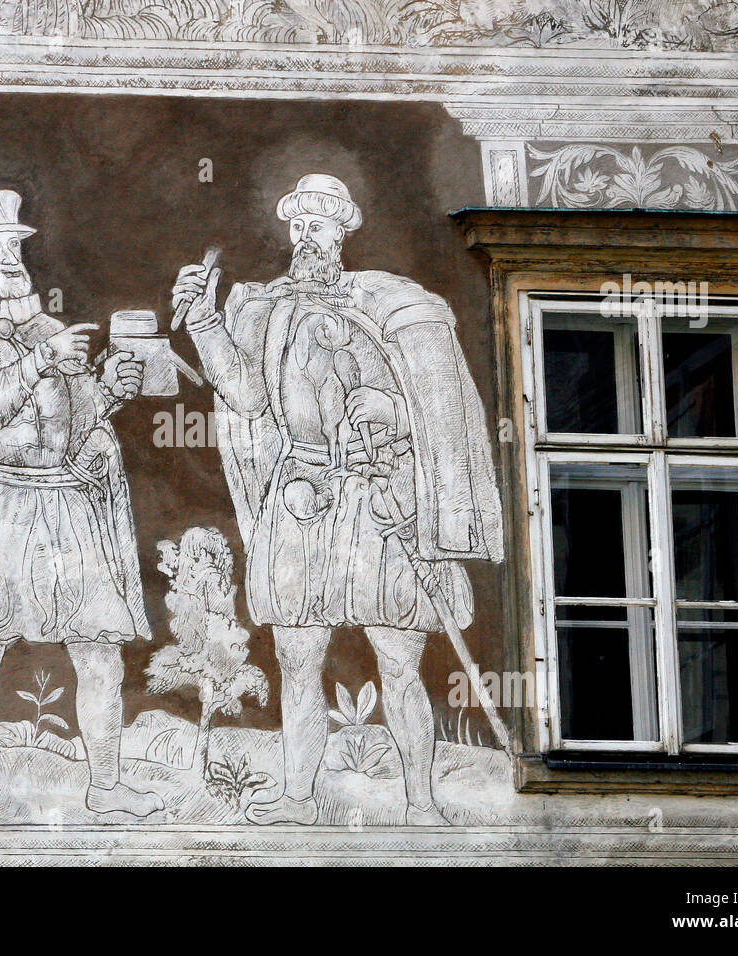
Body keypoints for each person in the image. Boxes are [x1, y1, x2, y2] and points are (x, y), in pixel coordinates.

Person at [172, 173, 503, 824]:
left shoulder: (385, 304)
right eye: (298, 227)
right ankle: (298, 799)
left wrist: (379, 409)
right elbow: (244, 394)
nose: (305, 239)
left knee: (399, 661)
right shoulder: (270, 311)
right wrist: (205, 322)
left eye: (319, 226)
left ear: (343, 232)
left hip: (377, 495)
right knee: (297, 660)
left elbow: (428, 397)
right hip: (300, 493)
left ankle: (419, 803)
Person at [0, 188, 162, 818]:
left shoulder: (46, 328)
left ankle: (106, 787)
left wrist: (107, 391)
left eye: (14, 244)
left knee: (101, 656)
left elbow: (70, 431)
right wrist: (36, 368)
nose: (9, 257)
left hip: (65, 510)